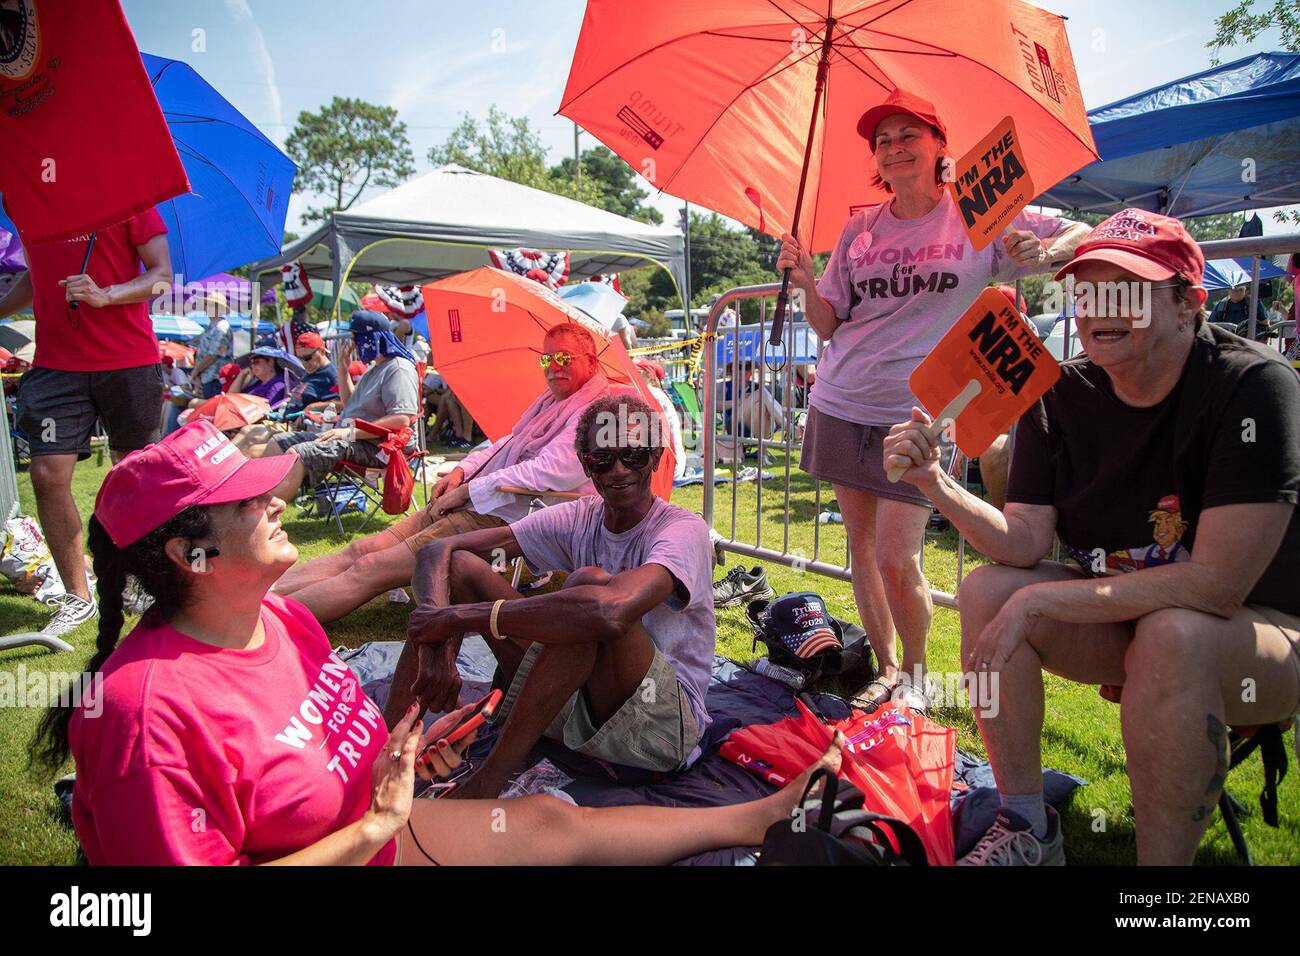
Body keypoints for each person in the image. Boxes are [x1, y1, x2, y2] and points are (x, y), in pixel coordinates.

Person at [27, 420, 842, 865]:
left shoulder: (282, 622)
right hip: (363, 842)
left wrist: (401, 731)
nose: (276, 501)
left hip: (388, 824)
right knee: (572, 604)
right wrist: (370, 828)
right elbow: (446, 558)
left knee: (551, 815)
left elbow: (598, 617)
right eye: (247, 501)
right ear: (188, 554)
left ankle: (755, 816)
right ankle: (500, 771)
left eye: (633, 456)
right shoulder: (145, 711)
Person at [884, 209, 1300, 865]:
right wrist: (937, 484)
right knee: (989, 589)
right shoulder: (1059, 391)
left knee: (1175, 633)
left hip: (1258, 633)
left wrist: (1041, 602)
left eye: (1124, 289)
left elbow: (1216, 586)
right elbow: (1022, 541)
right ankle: (1025, 827)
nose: (1097, 308)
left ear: (1189, 305)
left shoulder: (1254, 385)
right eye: (1086, 290)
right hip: (1130, 620)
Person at [776, 89, 1090, 708]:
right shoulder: (860, 227)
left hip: (921, 412)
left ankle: (918, 679)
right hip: (841, 400)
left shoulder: (977, 208)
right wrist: (810, 283)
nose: (894, 148)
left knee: (898, 555)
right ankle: (887, 668)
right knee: (860, 548)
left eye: (907, 135)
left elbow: (1079, 233)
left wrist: (1042, 251)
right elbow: (831, 324)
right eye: (883, 141)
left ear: (939, 144)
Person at [390, 393, 711, 800]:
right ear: (584, 462)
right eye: (602, 459)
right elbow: (440, 552)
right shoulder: (580, 516)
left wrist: (458, 619)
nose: (618, 471)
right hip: (576, 702)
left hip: (660, 728)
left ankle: (485, 784)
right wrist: (435, 641)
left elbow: (609, 613)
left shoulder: (682, 530)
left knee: (587, 591)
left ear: (655, 457)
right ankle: (385, 749)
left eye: (632, 455)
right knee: (463, 569)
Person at [273, 322, 611, 623]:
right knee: (362, 550)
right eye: (546, 359)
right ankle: (263, 596)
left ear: (591, 363)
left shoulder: (597, 410)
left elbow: (553, 472)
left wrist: (469, 491)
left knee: (371, 568)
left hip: (510, 517)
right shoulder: (552, 400)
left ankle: (268, 622)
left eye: (564, 359)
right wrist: (462, 472)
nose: (553, 368)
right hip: (483, 501)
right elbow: (509, 442)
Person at [0, 206, 171, 638]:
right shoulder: (31, 203)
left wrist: (105, 294)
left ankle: (135, 580)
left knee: (133, 476)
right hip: (56, 366)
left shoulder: (132, 201)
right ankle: (79, 597)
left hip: (129, 362)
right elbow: (37, 277)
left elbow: (162, 275)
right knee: (46, 473)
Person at [240, 311, 421, 504]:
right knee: (279, 442)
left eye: (355, 339)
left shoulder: (399, 369)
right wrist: (343, 371)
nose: (353, 345)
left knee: (299, 452)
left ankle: (266, 512)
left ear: (370, 339)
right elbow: (350, 404)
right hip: (353, 438)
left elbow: (402, 418)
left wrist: (348, 432)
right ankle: (252, 501)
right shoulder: (376, 367)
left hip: (379, 448)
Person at [635, 358, 686, 479]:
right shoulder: (654, 393)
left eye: (637, 371)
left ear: (648, 375)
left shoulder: (652, 394)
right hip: (669, 462)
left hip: (668, 467)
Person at [187, 291, 234, 400]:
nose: (208, 308)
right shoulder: (213, 326)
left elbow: (213, 355)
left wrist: (196, 371)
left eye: (213, 305)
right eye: (208, 305)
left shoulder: (221, 327)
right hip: (208, 378)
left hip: (215, 379)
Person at [288, 331, 339, 413]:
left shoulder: (331, 375)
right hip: (287, 421)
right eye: (300, 358)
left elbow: (343, 404)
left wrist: (312, 408)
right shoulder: (310, 372)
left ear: (322, 351)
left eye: (308, 357)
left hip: (305, 424)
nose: (304, 362)